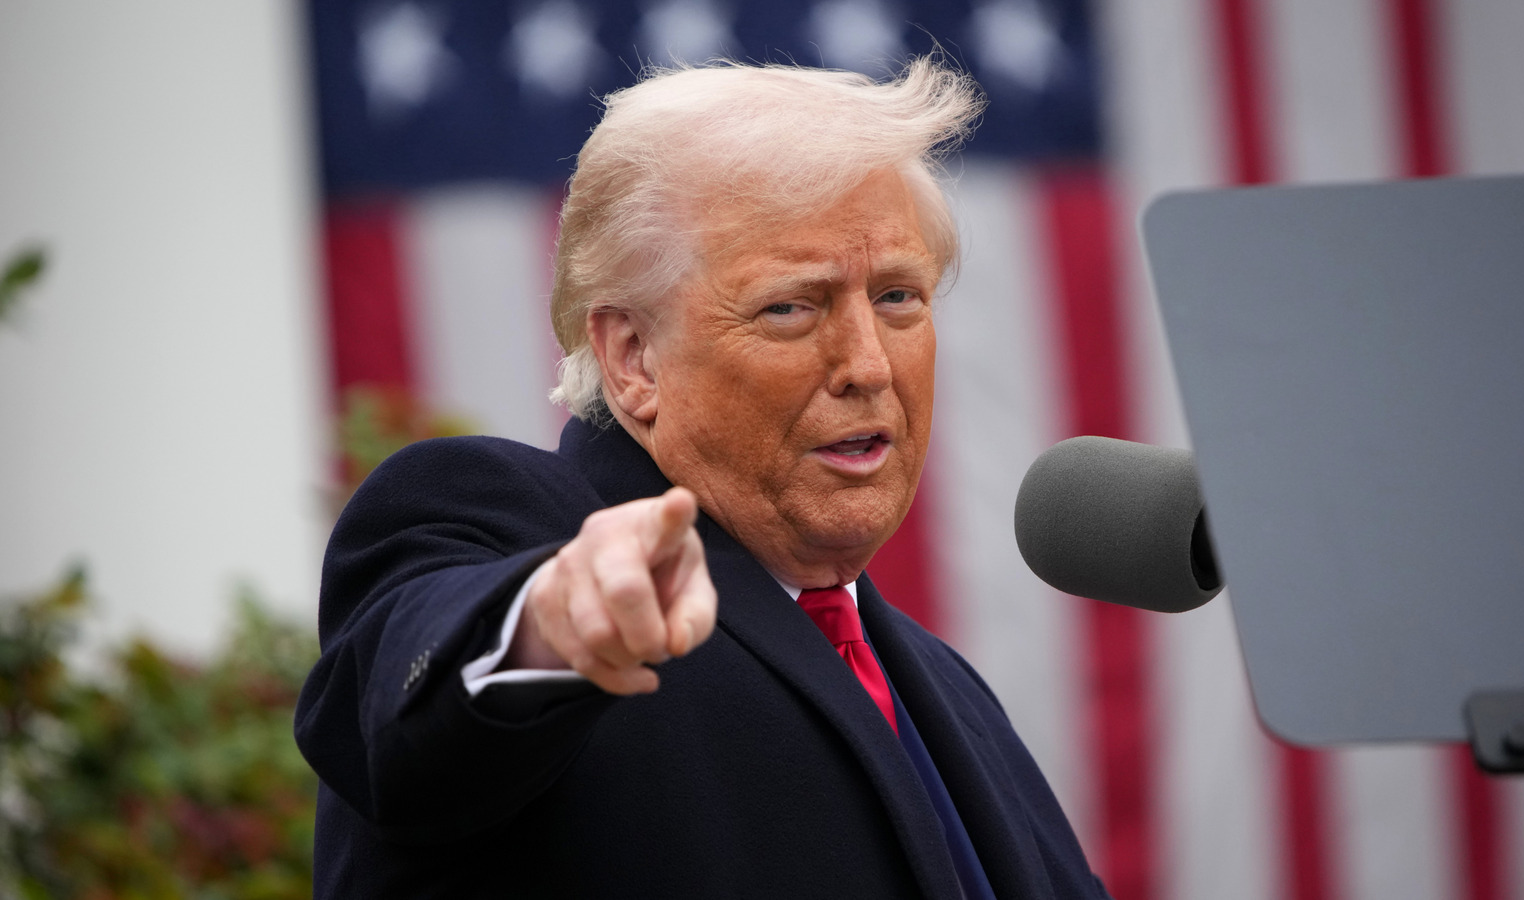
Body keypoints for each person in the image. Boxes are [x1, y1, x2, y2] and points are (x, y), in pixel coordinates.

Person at [295, 57, 1110, 899]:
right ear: (632, 356)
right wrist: (547, 627)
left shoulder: (950, 692)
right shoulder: (517, 537)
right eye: (792, 306)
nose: (869, 365)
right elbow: (399, 713)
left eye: (899, 296)